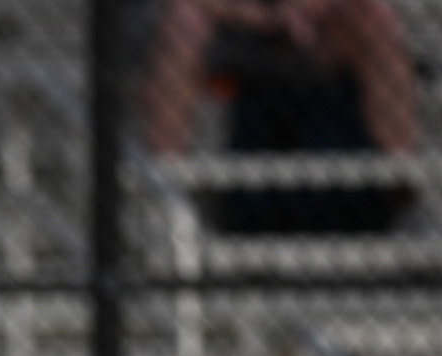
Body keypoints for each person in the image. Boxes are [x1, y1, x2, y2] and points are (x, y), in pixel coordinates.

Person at [140, 0, 418, 233]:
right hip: (240, 24)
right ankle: (165, 190)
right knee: (183, 17)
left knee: (378, 19)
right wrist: (265, 16)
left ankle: (399, 187)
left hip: (318, 26)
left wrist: (307, 7)